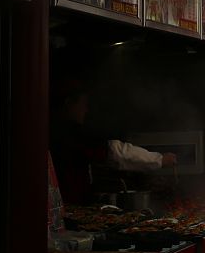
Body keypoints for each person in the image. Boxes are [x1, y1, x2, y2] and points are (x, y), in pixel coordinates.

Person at [49, 82, 177, 205]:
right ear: (68, 104)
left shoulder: (55, 129)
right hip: (68, 207)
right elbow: (113, 152)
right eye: (83, 104)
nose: (86, 110)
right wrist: (159, 159)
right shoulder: (70, 133)